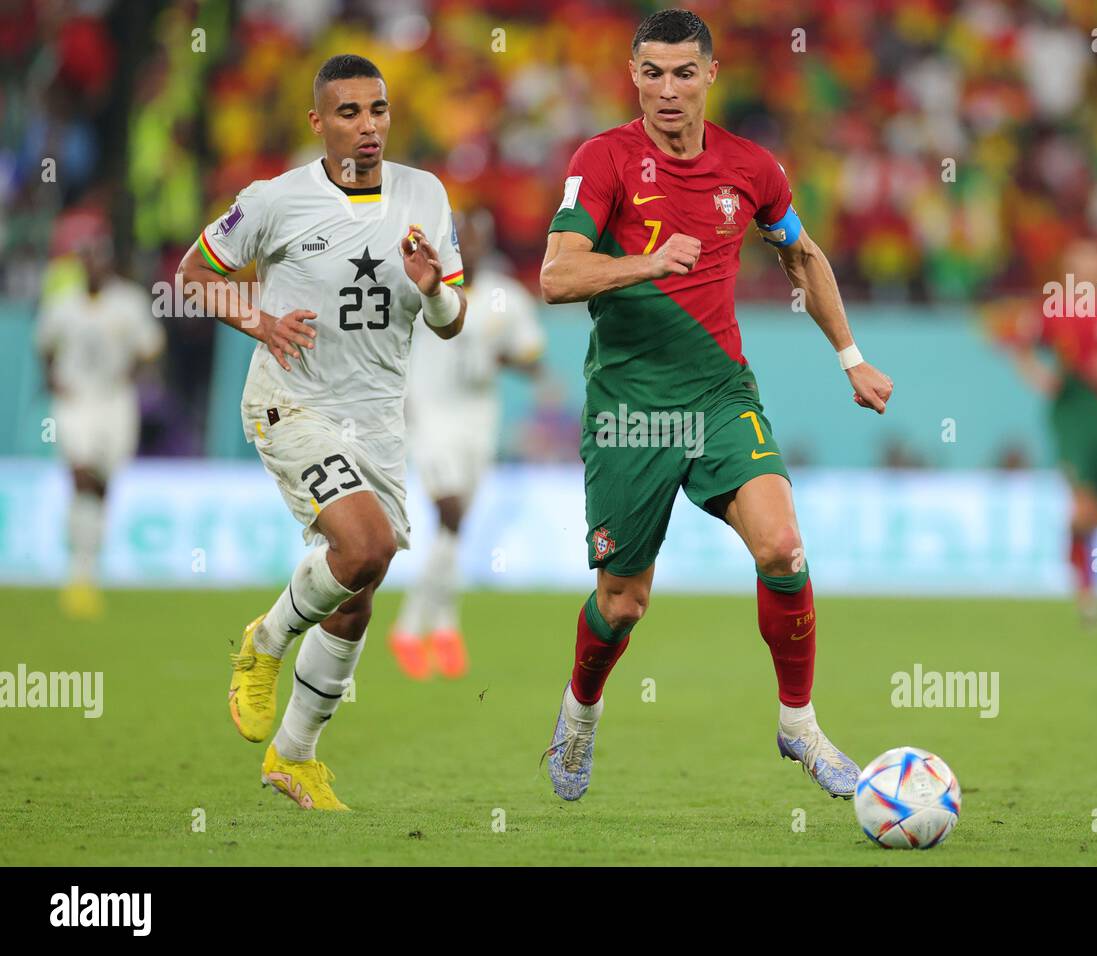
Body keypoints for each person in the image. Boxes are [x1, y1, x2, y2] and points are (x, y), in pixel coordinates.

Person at [538, 9, 894, 801]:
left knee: (783, 547)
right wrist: (645, 263)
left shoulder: (752, 168)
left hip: (720, 392)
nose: (668, 90)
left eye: (684, 72)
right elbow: (557, 277)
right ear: (634, 74)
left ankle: (798, 723)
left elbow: (801, 252)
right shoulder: (605, 160)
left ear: (710, 75)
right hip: (630, 410)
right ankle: (580, 713)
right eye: (653, 73)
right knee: (623, 603)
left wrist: (852, 358)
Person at [178, 54, 466, 810]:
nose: (366, 126)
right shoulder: (275, 201)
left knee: (358, 590)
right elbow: (194, 276)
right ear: (317, 122)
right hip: (292, 404)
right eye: (348, 113)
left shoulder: (425, 194)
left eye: (377, 110)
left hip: (377, 419)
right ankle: (266, 640)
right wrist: (259, 319)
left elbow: (451, 320)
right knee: (363, 546)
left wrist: (434, 291)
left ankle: (294, 757)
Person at [390, 208, 545, 679]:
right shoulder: (421, 289)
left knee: (453, 532)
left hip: (480, 424)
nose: (472, 247)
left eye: (479, 238)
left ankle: (442, 625)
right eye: (464, 239)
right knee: (450, 513)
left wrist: (507, 359)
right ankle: (410, 626)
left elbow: (530, 357)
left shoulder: (506, 298)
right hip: (431, 418)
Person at [1008, 240, 1097, 625]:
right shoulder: (1053, 311)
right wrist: (1042, 378)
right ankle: (1087, 595)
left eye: (1095, 271)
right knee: (1084, 503)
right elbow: (1020, 347)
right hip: (1071, 411)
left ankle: (1075, 550)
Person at [36, 231, 163, 618]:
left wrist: (132, 372)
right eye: (84, 258)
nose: (91, 265)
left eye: (97, 258)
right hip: (76, 399)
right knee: (82, 472)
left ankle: (87, 559)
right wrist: (53, 378)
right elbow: (45, 346)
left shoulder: (128, 302)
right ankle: (79, 573)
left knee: (103, 482)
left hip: (114, 401)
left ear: (108, 262)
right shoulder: (63, 305)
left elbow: (150, 347)